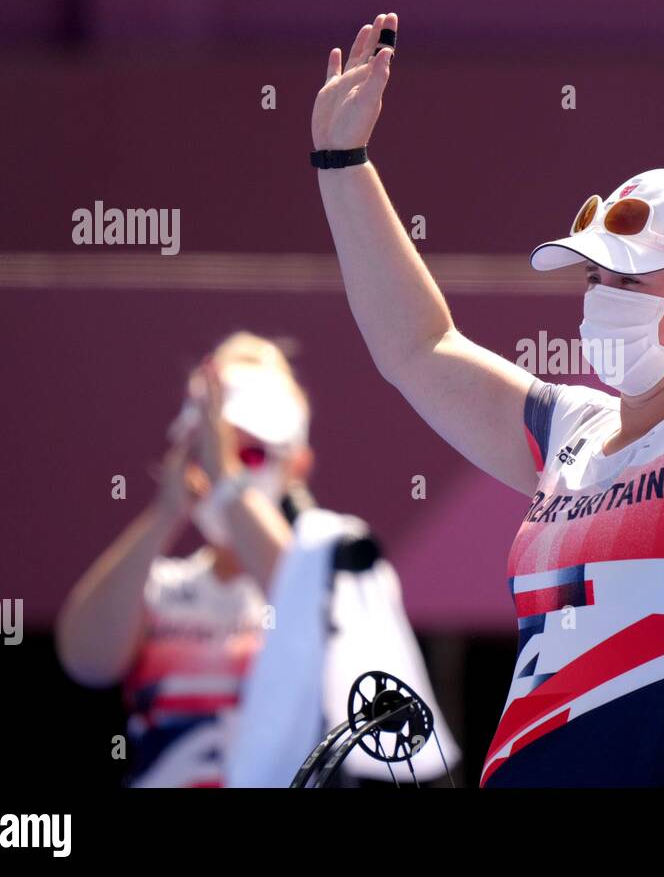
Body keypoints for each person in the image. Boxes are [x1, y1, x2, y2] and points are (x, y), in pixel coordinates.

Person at [310, 0, 664, 786]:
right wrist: (342, 164)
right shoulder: (568, 430)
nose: (599, 301)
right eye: (593, 280)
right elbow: (418, 347)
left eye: (628, 281)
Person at [55, 332, 457, 787]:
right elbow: (86, 662)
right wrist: (164, 514)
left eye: (249, 452)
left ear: (297, 465)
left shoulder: (344, 564)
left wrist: (226, 481)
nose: (222, 465)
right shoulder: (159, 587)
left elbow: (307, 605)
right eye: (210, 450)